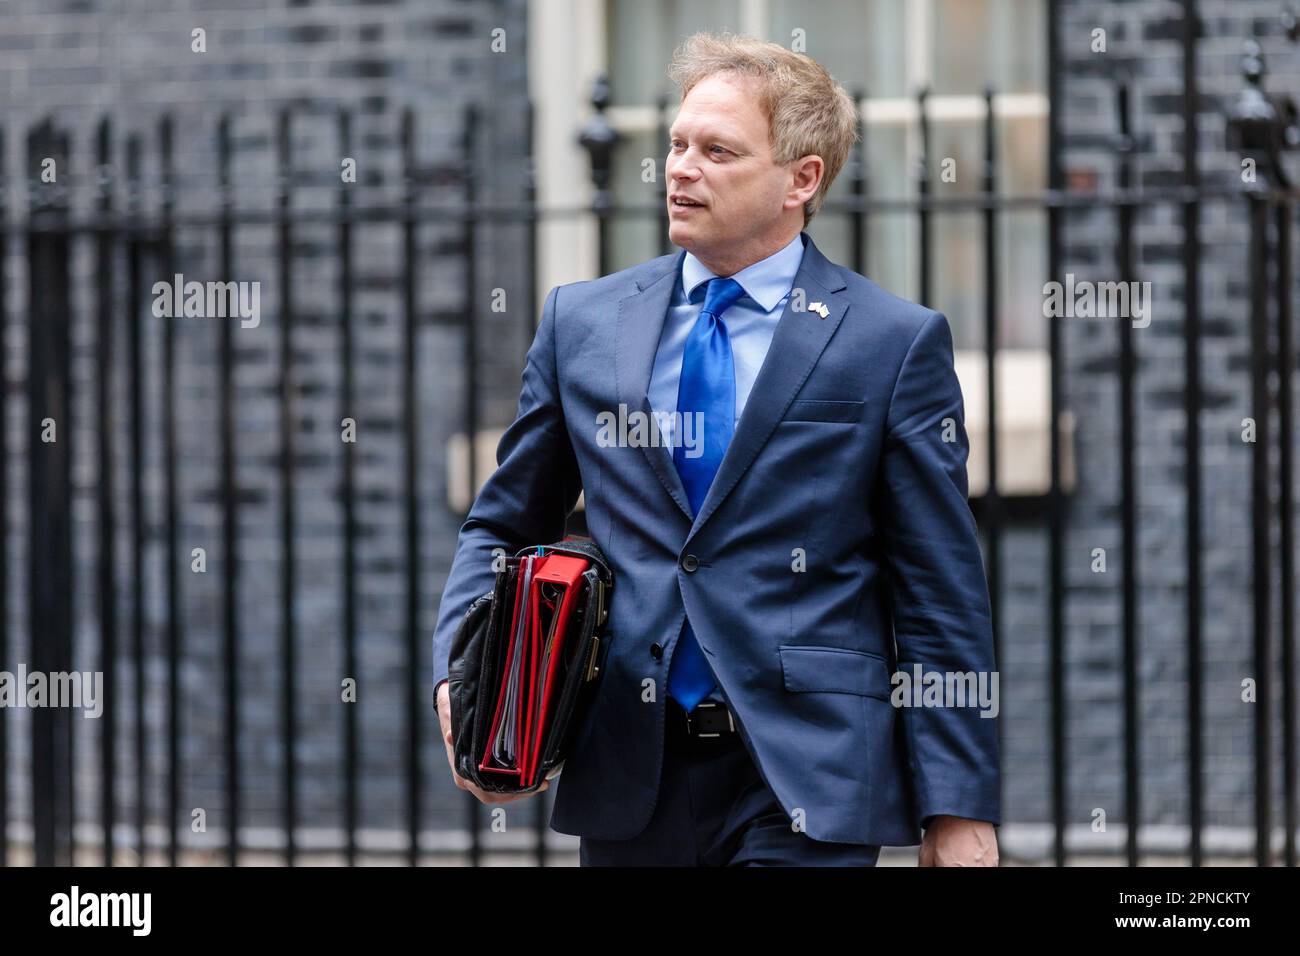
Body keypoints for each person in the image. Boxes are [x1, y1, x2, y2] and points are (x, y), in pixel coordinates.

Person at [432, 31, 999, 867]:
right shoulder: (581, 324)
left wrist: (958, 808)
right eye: (677, 143)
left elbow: (939, 589)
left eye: (718, 150)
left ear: (800, 181)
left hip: (808, 782)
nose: (681, 167)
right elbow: (500, 524)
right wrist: (464, 676)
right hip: (627, 770)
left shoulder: (891, 343)